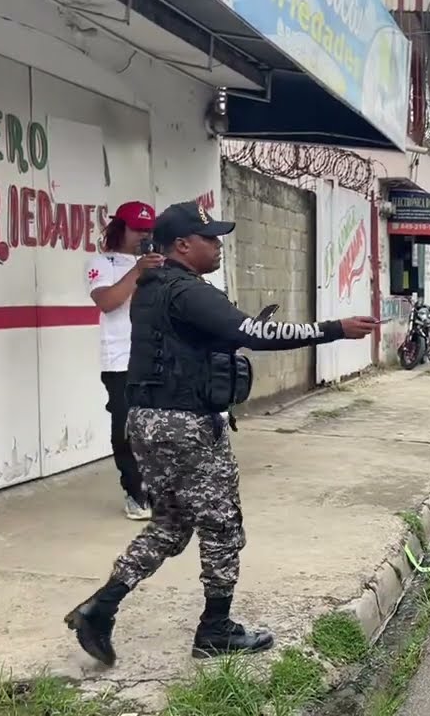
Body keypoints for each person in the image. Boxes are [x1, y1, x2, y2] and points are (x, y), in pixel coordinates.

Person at [64, 201, 379, 666]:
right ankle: (215, 630)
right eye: (209, 238)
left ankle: (101, 607)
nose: (218, 246)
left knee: (171, 524)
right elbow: (251, 332)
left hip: (150, 419)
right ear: (182, 245)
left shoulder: (154, 286)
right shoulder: (185, 290)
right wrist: (334, 329)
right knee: (223, 525)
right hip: (184, 424)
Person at [85, 201, 162, 520]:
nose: (142, 234)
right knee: (127, 429)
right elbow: (107, 302)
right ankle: (135, 491)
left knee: (161, 428)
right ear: (120, 228)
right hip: (120, 360)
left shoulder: (161, 262)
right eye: (137, 228)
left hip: (158, 356)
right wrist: (138, 269)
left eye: (148, 229)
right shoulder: (102, 262)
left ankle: (161, 492)